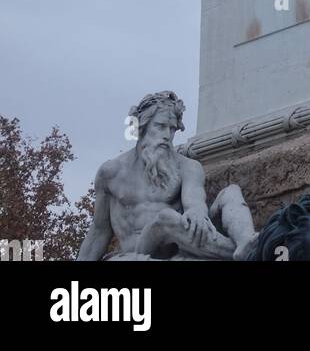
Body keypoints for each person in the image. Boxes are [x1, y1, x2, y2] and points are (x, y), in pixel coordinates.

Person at [76, 90, 256, 261]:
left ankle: (246, 243)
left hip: (181, 245)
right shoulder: (111, 172)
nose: (167, 135)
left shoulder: (187, 166)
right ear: (142, 127)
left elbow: (195, 204)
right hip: (140, 251)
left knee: (231, 192)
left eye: (172, 129)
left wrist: (197, 212)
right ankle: (250, 253)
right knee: (166, 218)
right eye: (161, 126)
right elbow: (99, 231)